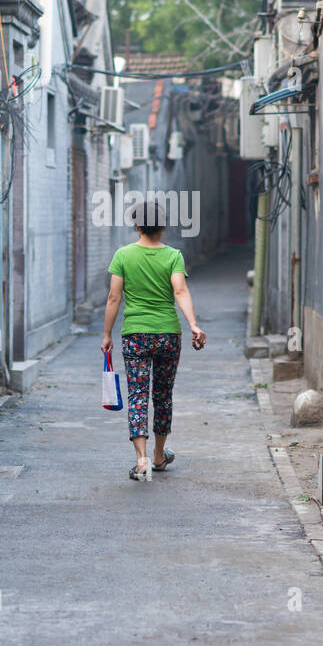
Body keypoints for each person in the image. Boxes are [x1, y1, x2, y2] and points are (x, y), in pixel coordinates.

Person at [101, 200, 206, 481]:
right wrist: (193, 325)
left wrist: (107, 334)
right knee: (162, 394)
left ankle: (141, 460)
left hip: (135, 335)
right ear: (162, 227)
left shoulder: (122, 255)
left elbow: (114, 297)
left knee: (138, 395)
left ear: (137, 226)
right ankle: (160, 456)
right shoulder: (173, 256)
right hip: (168, 335)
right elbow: (181, 292)